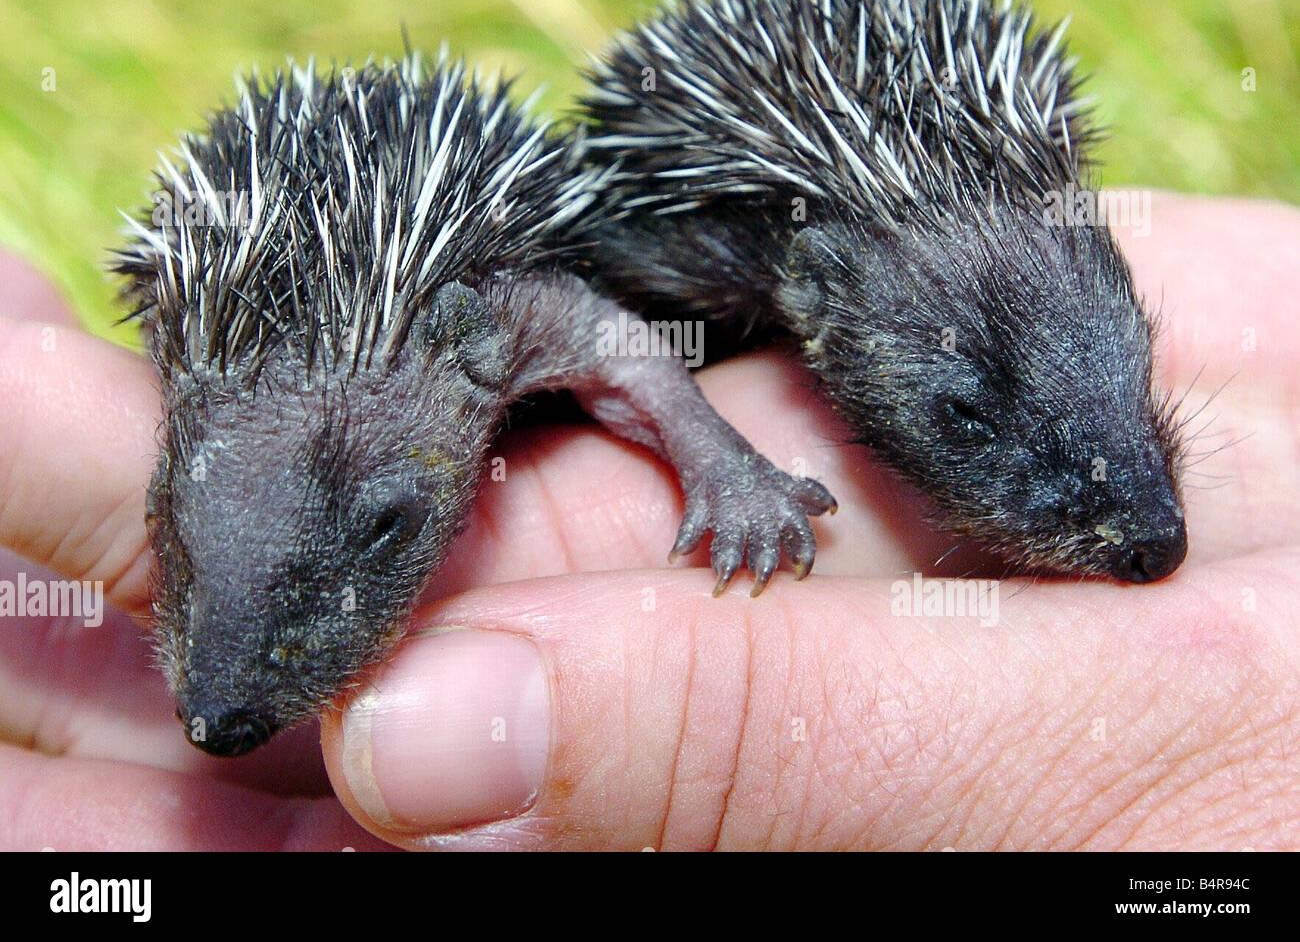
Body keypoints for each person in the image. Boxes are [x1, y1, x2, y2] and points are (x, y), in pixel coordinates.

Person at [0, 193, 1295, 850]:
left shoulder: (506, 315)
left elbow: (617, 344)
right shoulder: (426, 342)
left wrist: (721, 468)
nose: (214, 710)